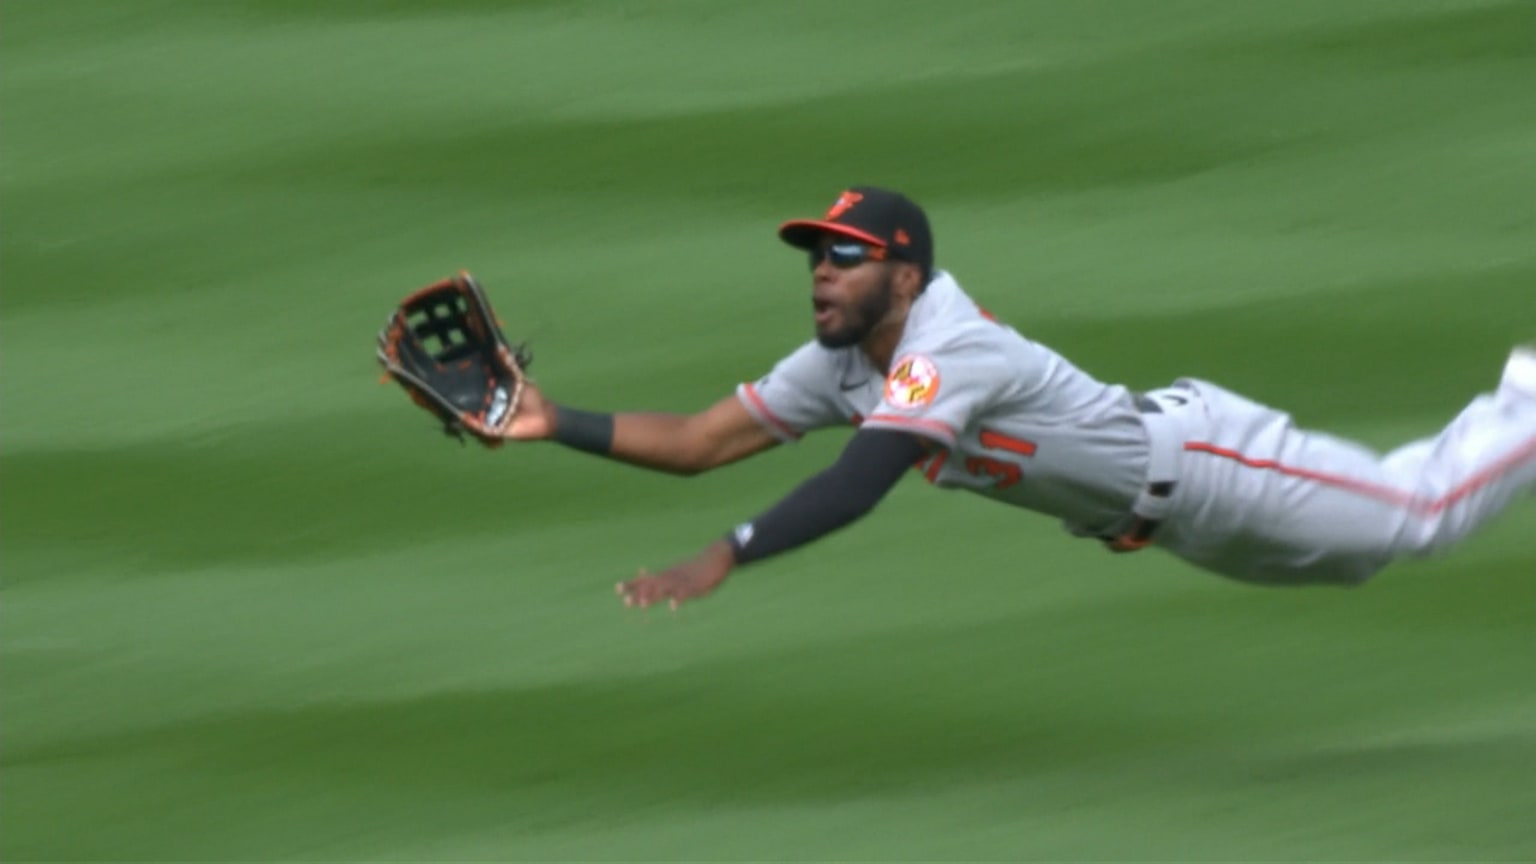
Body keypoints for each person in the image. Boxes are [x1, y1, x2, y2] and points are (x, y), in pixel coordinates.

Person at [493, 186, 1536, 609]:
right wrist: (553, 419)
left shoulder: (954, 350)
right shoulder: (841, 362)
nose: (820, 274)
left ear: (905, 277)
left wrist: (728, 552)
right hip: (1164, 526)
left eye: (846, 259)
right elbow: (698, 440)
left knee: (1423, 513)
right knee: (1365, 560)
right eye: (816, 257)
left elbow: (860, 483)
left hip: (1213, 464)